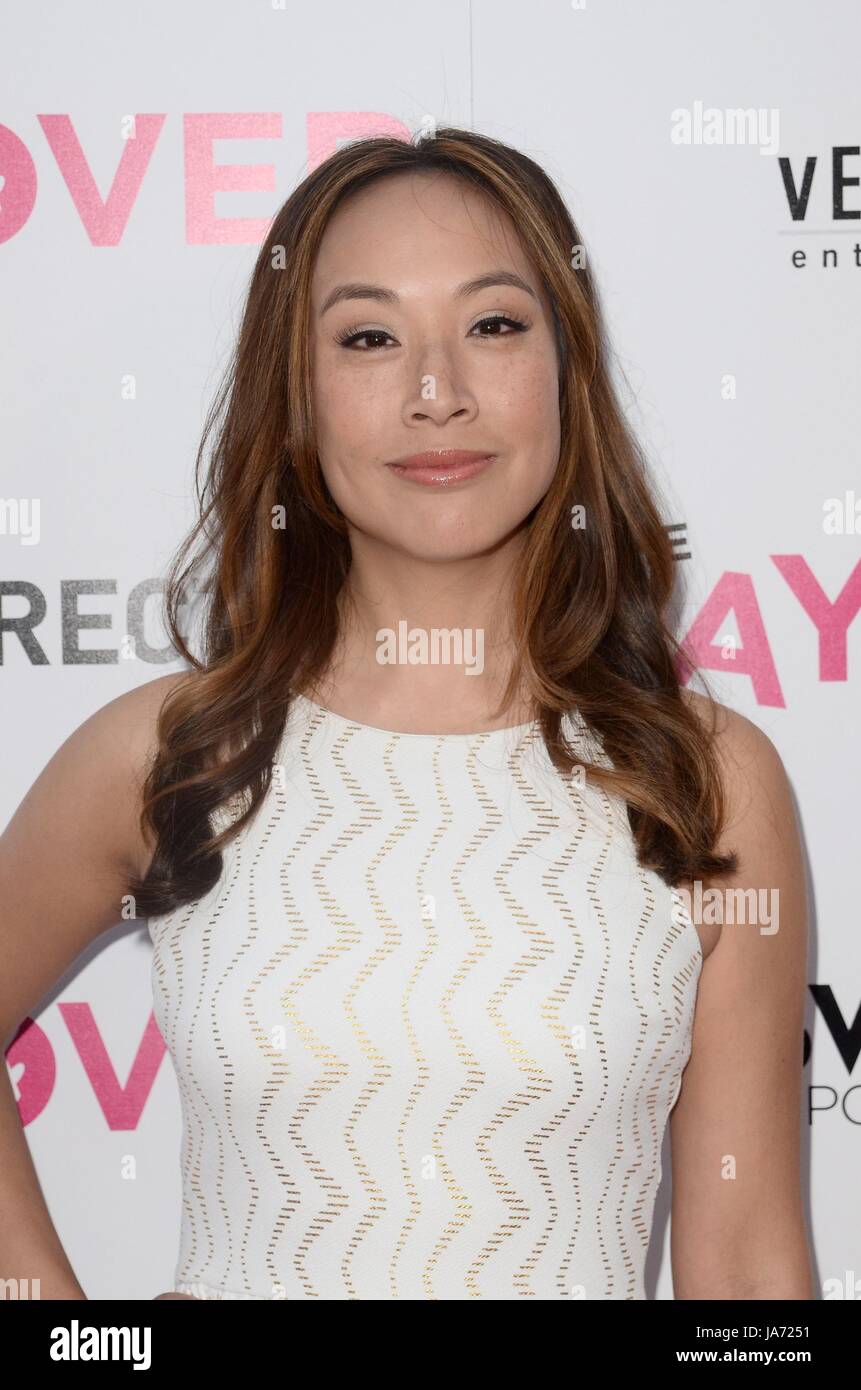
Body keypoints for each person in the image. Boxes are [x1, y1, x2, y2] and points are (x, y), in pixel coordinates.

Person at [0, 127, 813, 1300]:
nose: (438, 393)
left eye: (493, 325)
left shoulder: (706, 776)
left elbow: (745, 1274)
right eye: (371, 337)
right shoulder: (176, 752)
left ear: (567, 370)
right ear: (300, 395)